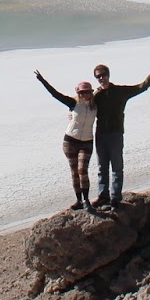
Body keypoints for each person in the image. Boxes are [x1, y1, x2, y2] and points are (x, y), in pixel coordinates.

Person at [90, 62, 150, 207]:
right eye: (98, 77)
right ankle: (103, 196)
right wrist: (72, 115)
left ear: (108, 75)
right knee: (102, 167)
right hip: (100, 134)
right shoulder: (96, 96)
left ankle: (115, 196)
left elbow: (141, 87)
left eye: (103, 75)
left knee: (116, 167)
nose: (101, 78)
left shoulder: (120, 91)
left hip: (115, 134)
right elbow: (83, 106)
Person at [34, 70, 97, 210]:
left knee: (82, 170)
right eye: (82, 92)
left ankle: (87, 200)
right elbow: (55, 94)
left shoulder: (96, 105)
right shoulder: (73, 103)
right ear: (78, 93)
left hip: (87, 142)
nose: (85, 95)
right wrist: (42, 80)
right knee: (74, 171)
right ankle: (79, 201)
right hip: (70, 141)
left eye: (87, 92)